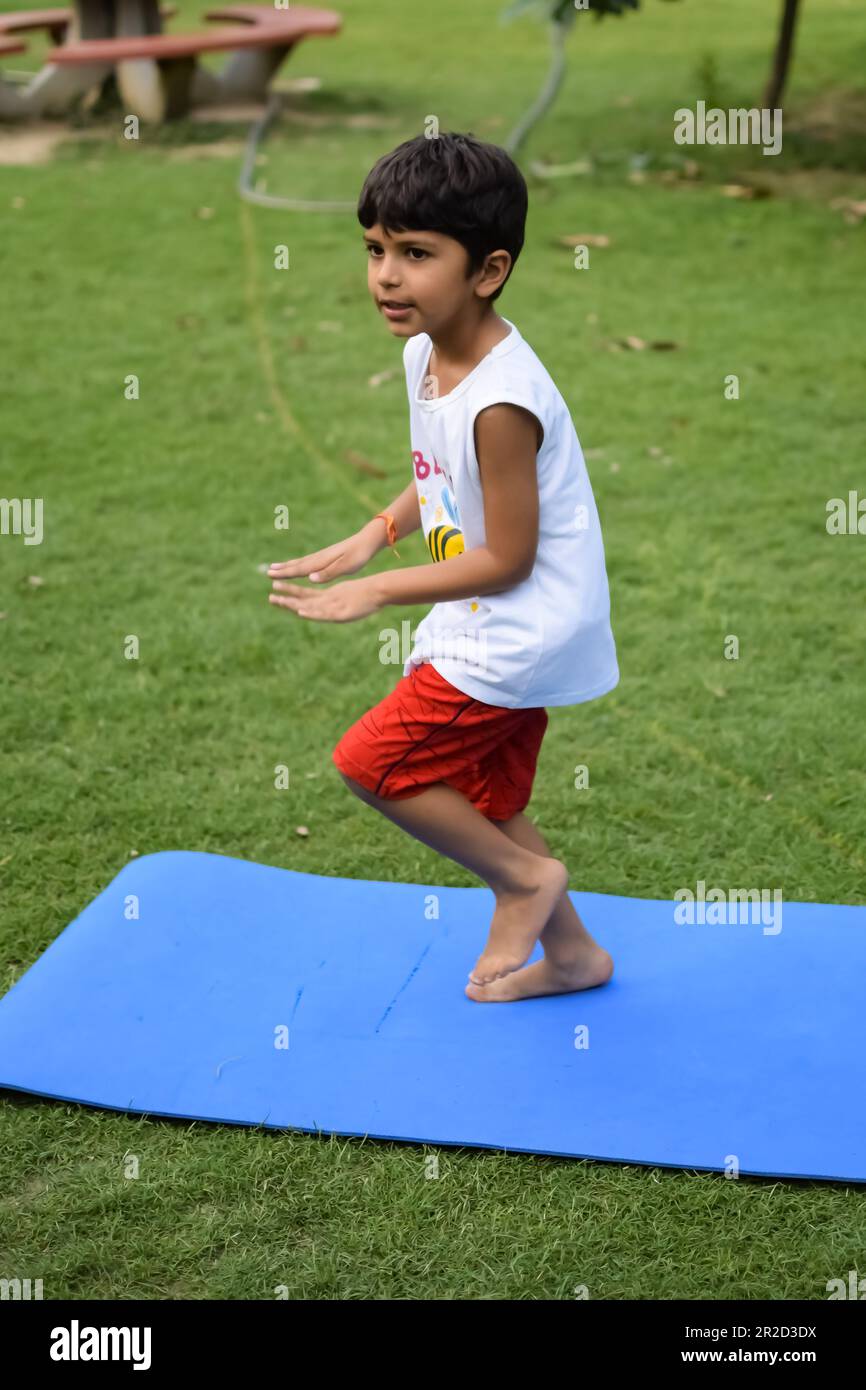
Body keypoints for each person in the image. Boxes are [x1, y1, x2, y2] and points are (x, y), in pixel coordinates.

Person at [268, 132, 619, 1003]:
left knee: (371, 761)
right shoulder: (426, 353)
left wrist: (375, 590)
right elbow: (440, 478)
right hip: (492, 618)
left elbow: (507, 556)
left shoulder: (504, 398)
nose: (387, 275)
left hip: (519, 625)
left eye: (417, 254)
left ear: (488, 270)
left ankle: (525, 884)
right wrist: (376, 531)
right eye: (376, 250)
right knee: (484, 798)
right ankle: (576, 958)